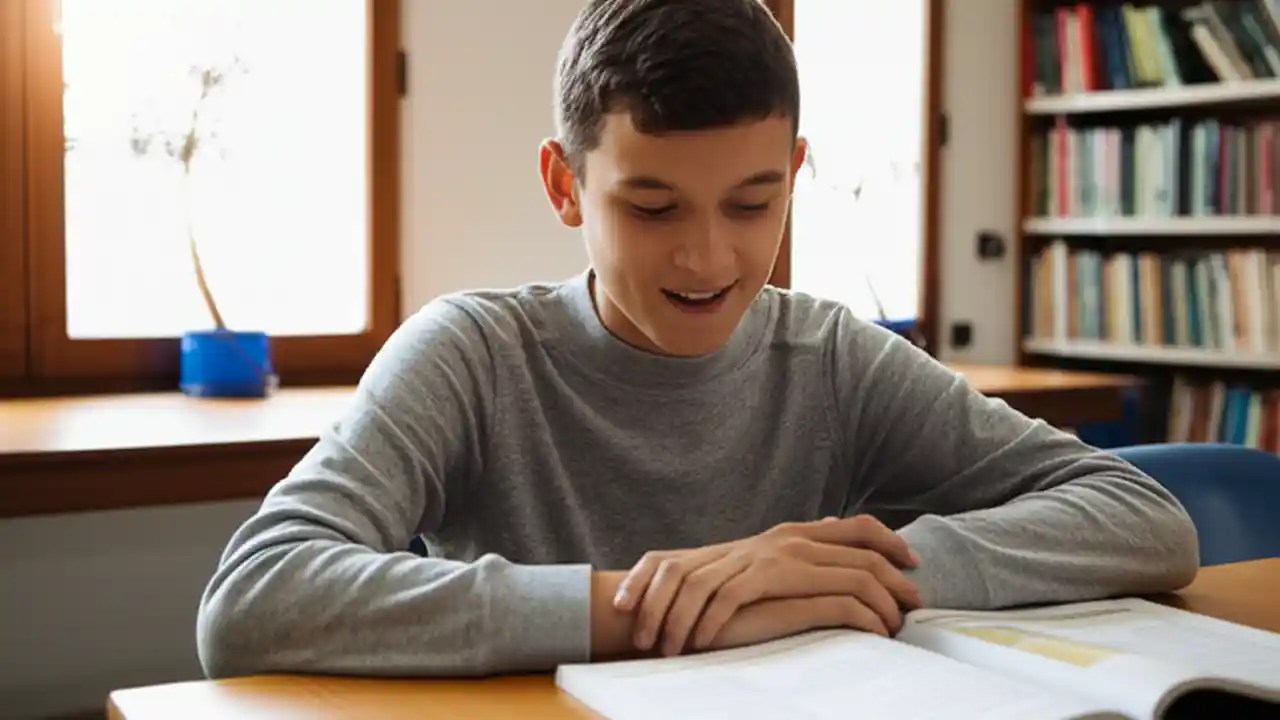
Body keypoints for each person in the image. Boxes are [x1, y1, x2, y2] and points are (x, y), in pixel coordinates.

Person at [196, 0, 1198, 678]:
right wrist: (653, 605)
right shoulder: (473, 354)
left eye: (752, 204)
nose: (708, 258)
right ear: (564, 185)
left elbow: (1144, 520)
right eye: (652, 207)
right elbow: (251, 598)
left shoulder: (828, 357)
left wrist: (844, 576)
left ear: (793, 175)